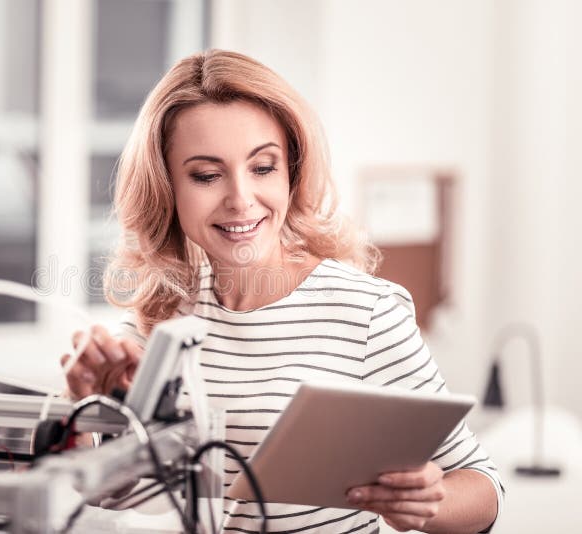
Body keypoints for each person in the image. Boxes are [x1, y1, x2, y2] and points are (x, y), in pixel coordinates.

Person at [61, 49, 503, 534]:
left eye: (263, 167)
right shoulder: (157, 317)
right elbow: (118, 494)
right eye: (207, 175)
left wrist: (427, 502)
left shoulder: (368, 313)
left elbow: (481, 487)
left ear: (291, 170)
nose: (240, 198)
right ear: (167, 188)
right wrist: (83, 409)